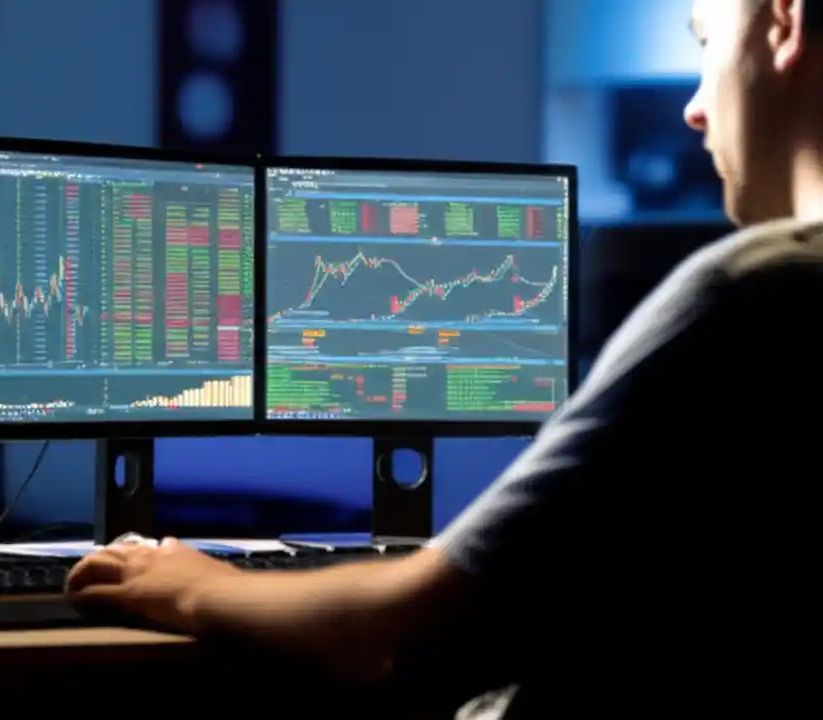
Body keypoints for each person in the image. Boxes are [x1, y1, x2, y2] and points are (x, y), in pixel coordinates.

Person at [66, 0, 822, 715]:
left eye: (705, 44)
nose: (694, 106)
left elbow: (398, 635)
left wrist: (193, 586)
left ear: (783, 22)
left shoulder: (756, 292)